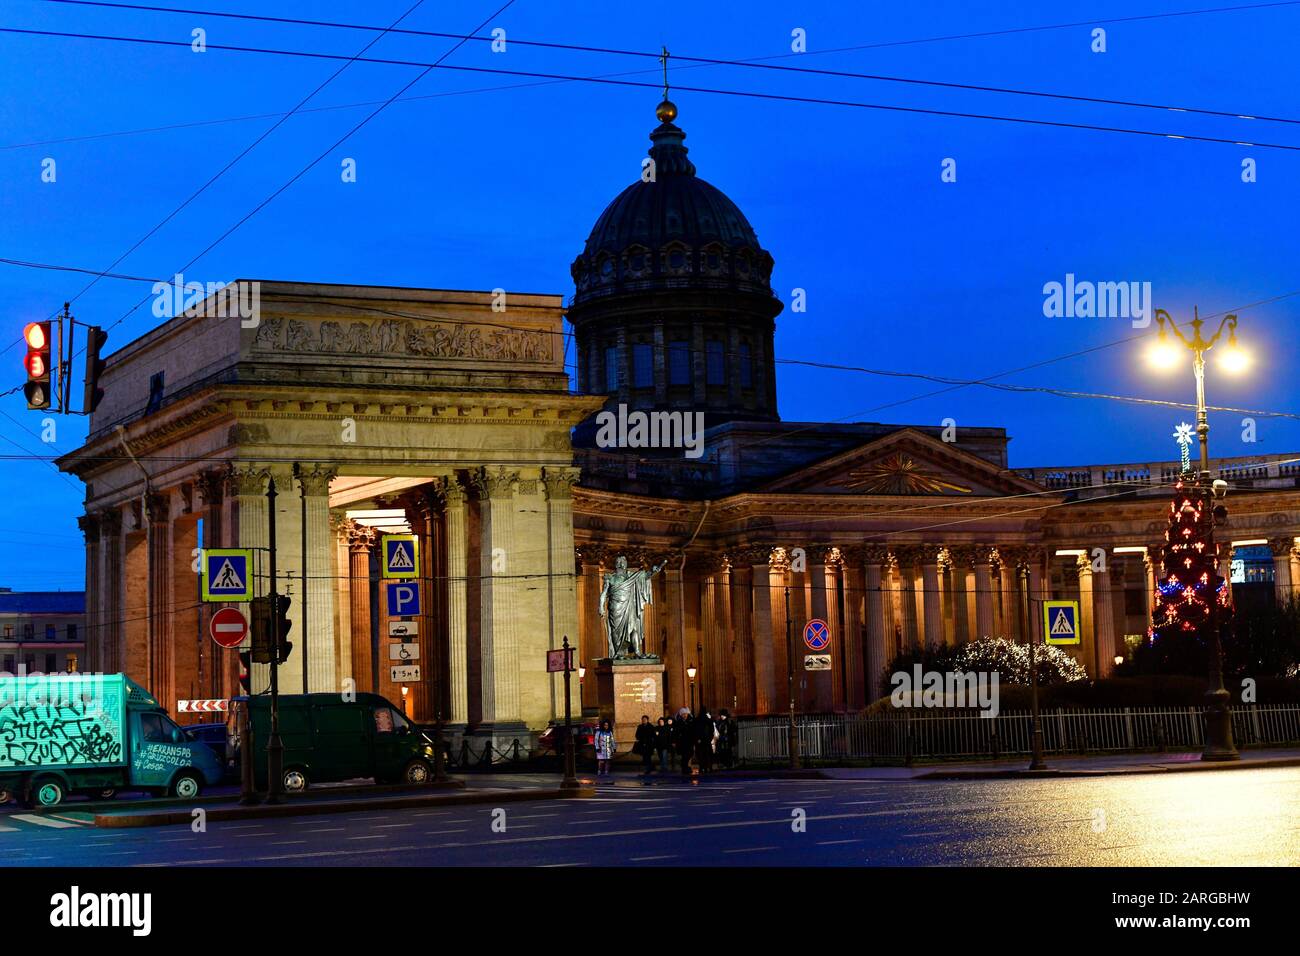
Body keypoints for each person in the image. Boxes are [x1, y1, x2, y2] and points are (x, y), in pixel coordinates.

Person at [694, 707, 716, 774]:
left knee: (700, 754)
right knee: (707, 754)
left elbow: (695, 730)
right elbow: (712, 730)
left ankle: (701, 767)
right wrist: (710, 738)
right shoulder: (708, 720)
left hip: (700, 740)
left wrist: (697, 739)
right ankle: (708, 767)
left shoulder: (697, 720)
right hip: (707, 739)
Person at [674, 708, 694, 778]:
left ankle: (685, 767)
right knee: (684, 755)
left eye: (685, 714)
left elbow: (693, 731)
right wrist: (675, 741)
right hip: (682, 742)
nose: (684, 715)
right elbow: (676, 732)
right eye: (683, 714)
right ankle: (685, 768)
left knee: (689, 754)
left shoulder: (691, 720)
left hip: (689, 741)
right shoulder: (679, 722)